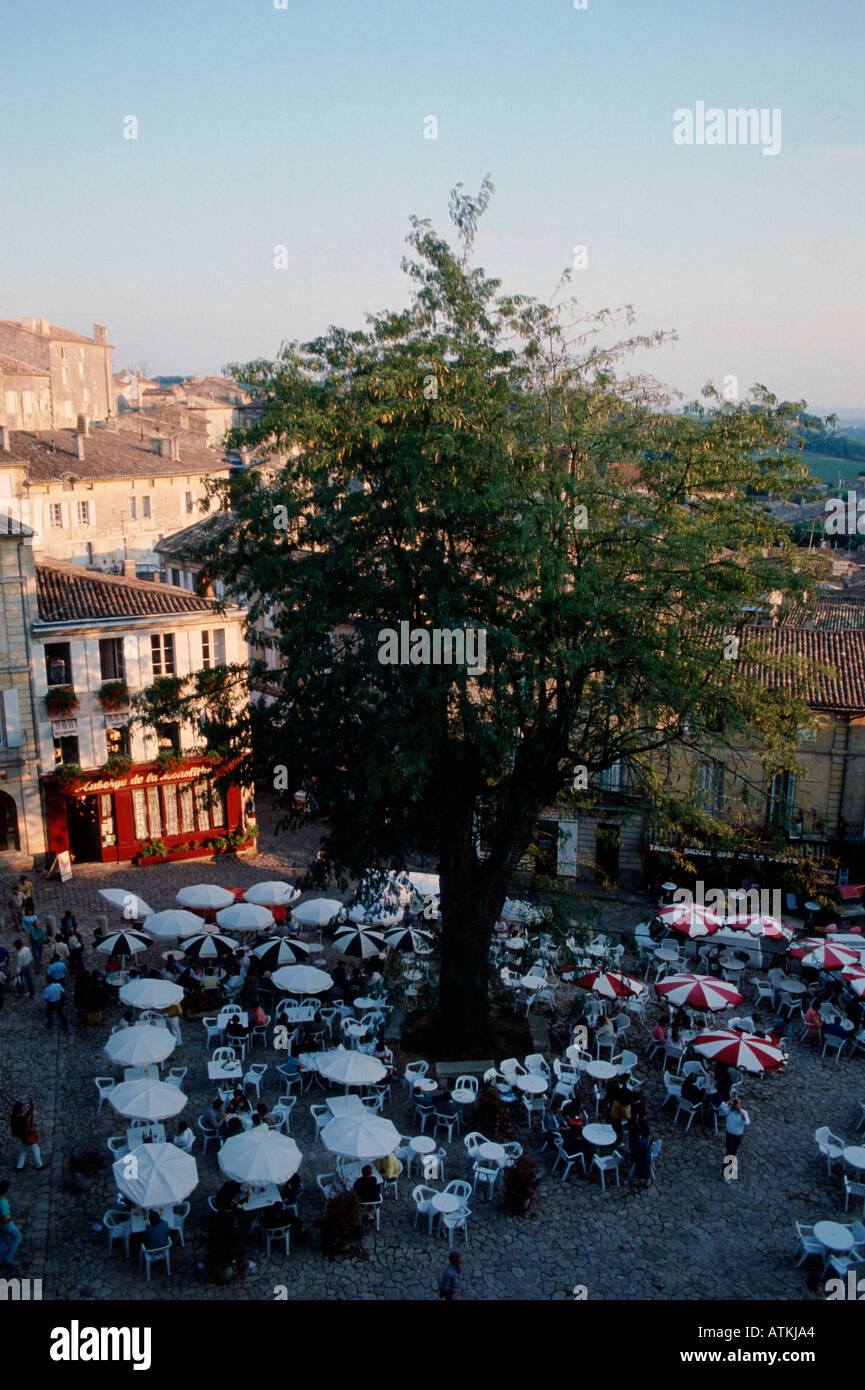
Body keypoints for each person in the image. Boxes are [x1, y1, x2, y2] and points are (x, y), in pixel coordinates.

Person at [720, 1096, 751, 1182]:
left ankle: (726, 1167)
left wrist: (740, 1111)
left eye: (739, 1103)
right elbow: (722, 1106)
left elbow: (747, 1122)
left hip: (738, 1136)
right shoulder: (729, 1111)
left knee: (733, 1153)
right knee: (730, 1153)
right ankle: (724, 1175)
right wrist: (732, 1099)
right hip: (730, 1135)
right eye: (737, 1103)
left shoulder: (744, 1113)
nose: (738, 1104)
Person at [11, 1100, 43, 1170]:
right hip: (26, 1137)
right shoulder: (20, 1121)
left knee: (24, 1150)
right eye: (22, 1108)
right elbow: (23, 1130)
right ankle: (39, 1165)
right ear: (19, 1110)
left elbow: (24, 1119)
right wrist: (31, 1131)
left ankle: (19, 1166)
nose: (23, 1109)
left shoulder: (14, 1117)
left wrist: (30, 1111)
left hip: (22, 1137)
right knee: (35, 1148)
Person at [0, 1181, 23, 1268]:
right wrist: (11, 1219)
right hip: (5, 1224)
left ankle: (0, 1259)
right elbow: (5, 1220)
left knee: (2, 1240)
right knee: (17, 1237)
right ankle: (8, 1258)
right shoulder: (3, 1203)